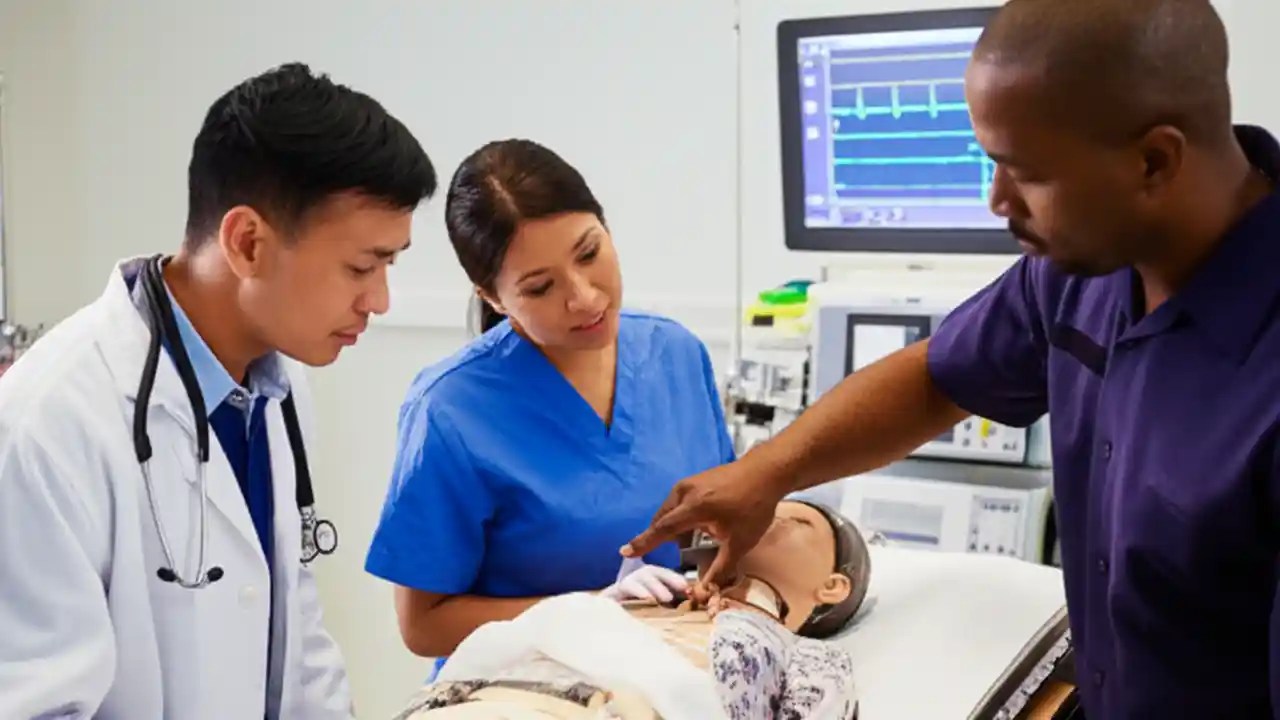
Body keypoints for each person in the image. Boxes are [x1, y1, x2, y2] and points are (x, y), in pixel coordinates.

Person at [623, 0, 1280, 717]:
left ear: (1154, 161)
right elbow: (936, 378)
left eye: (1021, 172)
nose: (996, 199)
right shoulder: (1078, 269)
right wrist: (767, 473)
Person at [0, 63, 437, 719]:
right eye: (360, 266)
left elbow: (293, 641)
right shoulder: (50, 423)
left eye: (388, 264)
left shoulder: (277, 392)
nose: (378, 300)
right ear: (247, 242)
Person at [363, 138, 736, 667]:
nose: (584, 297)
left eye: (589, 252)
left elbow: (719, 527)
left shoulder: (674, 354)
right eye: (540, 288)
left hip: (668, 674)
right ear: (492, 297)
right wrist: (586, 612)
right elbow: (424, 625)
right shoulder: (450, 410)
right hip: (523, 691)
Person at [392, 500, 870, 720]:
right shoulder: (647, 598)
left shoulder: (806, 657)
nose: (769, 513)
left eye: (798, 520)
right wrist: (598, 605)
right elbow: (524, 642)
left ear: (832, 586)